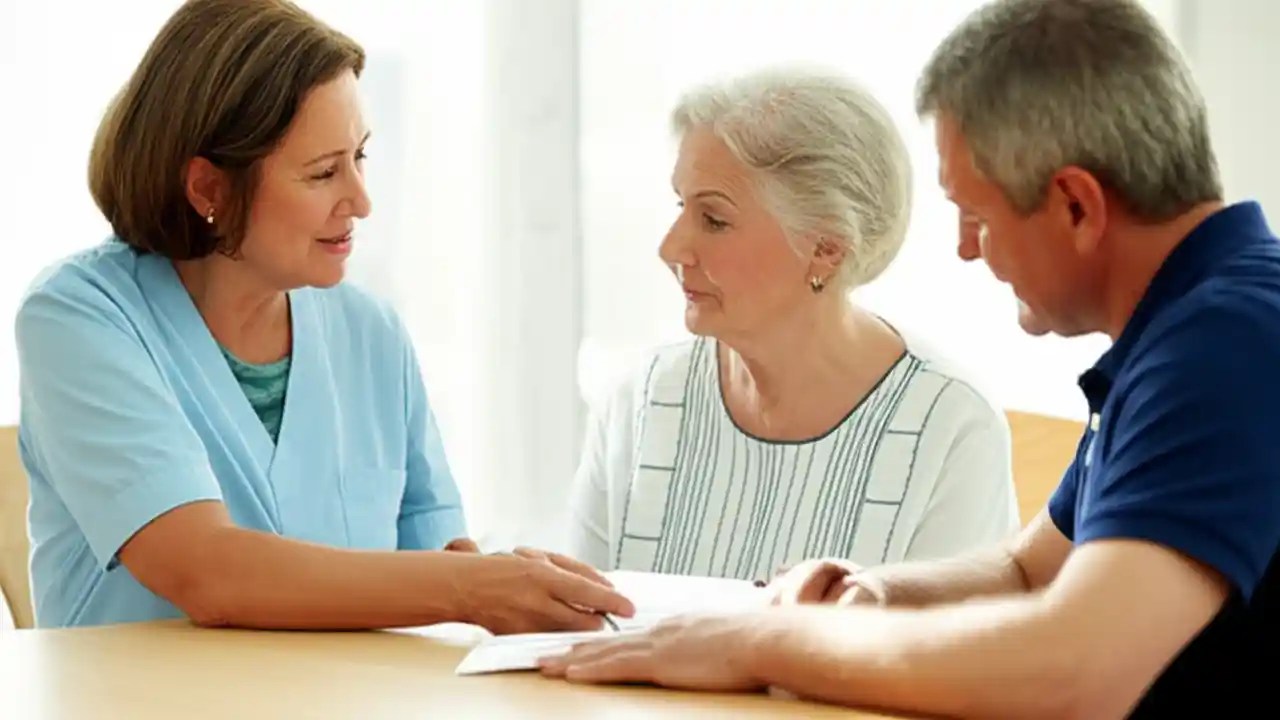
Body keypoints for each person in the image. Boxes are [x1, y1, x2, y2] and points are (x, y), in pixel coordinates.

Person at [540, 0, 1280, 716]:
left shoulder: (1224, 346)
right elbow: (1027, 570)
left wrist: (767, 645)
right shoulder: (1192, 331)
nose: (964, 248)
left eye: (976, 217)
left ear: (1075, 207)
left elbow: (1076, 675)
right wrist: (876, 592)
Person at [15, 0, 632, 632]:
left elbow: (438, 560)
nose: (361, 201)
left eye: (360, 157)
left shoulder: (371, 334)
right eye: (323, 173)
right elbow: (206, 573)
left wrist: (520, 588)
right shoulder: (79, 318)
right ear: (209, 189)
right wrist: (472, 587)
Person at [567, 68, 1018, 582]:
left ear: (826, 249)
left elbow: (947, 655)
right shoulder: (637, 403)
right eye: (680, 206)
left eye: (713, 220)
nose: (670, 249)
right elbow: (575, 631)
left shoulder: (951, 427)